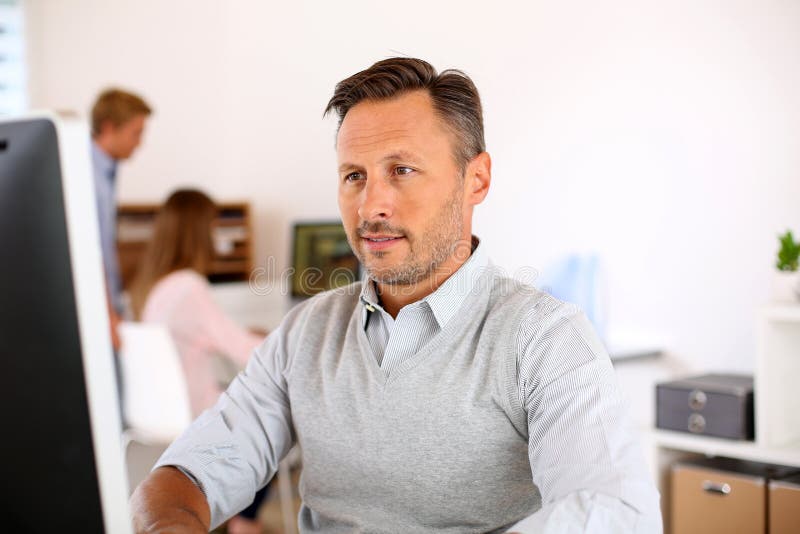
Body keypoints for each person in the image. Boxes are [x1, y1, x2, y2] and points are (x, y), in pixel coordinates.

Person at [131, 58, 662, 533]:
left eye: (401, 170)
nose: (370, 205)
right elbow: (183, 476)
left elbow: (617, 513)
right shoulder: (304, 334)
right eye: (353, 176)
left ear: (475, 180)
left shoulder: (545, 338)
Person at [129, 189, 268, 534]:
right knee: (271, 413)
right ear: (198, 232)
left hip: (158, 409)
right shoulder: (188, 286)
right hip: (193, 408)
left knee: (239, 395)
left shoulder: (153, 287)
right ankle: (245, 524)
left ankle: (237, 518)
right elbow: (241, 348)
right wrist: (285, 339)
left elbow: (209, 334)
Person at [90, 88, 152, 320]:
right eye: (136, 133)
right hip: (100, 311)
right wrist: (109, 315)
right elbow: (92, 250)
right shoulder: (88, 176)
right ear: (108, 128)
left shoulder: (107, 172)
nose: (139, 143)